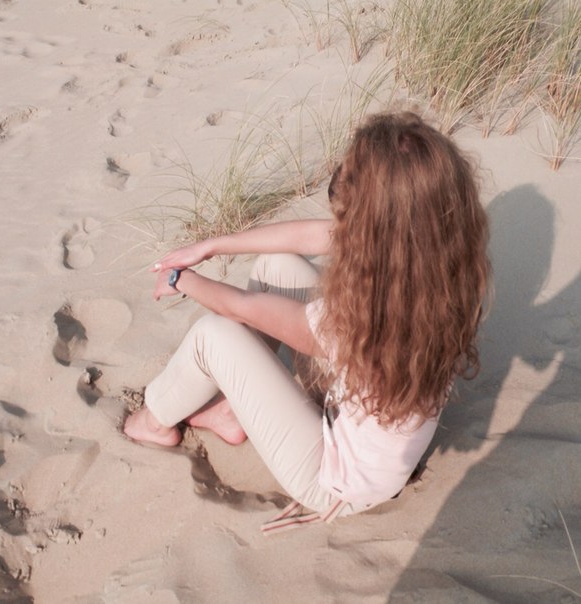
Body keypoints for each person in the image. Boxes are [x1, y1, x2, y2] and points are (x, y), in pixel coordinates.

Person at [124, 112, 491, 530]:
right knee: (278, 266)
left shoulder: (369, 319)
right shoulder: (436, 266)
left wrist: (180, 278)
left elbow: (242, 308)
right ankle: (230, 411)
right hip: (367, 418)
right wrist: (212, 247)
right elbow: (312, 237)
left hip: (334, 479)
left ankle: (153, 422)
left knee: (213, 336)